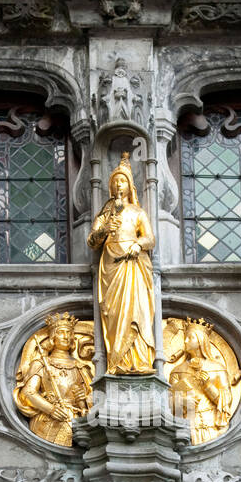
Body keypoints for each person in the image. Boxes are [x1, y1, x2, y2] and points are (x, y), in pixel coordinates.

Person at [88, 154, 156, 374]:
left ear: (129, 185)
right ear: (111, 186)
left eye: (123, 180)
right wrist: (105, 229)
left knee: (136, 309)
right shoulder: (106, 213)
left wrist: (138, 245)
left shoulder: (137, 212)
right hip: (111, 264)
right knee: (115, 314)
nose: (119, 184)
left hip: (133, 264)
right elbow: (91, 241)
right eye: (115, 181)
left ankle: (139, 360)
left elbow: (150, 238)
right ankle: (117, 361)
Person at [13, 313, 94, 447]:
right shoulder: (41, 364)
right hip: (49, 420)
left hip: (76, 422)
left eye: (69, 333)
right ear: (52, 337)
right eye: (61, 332)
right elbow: (28, 393)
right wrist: (50, 409)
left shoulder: (81, 367)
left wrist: (84, 400)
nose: (66, 336)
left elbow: (95, 396)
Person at [167, 319, 237, 444]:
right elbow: (168, 401)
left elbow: (226, 400)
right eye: (185, 338)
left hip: (211, 425)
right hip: (186, 426)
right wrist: (182, 401)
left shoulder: (217, 368)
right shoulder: (177, 370)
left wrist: (208, 386)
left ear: (200, 340)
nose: (185, 341)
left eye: (190, 338)